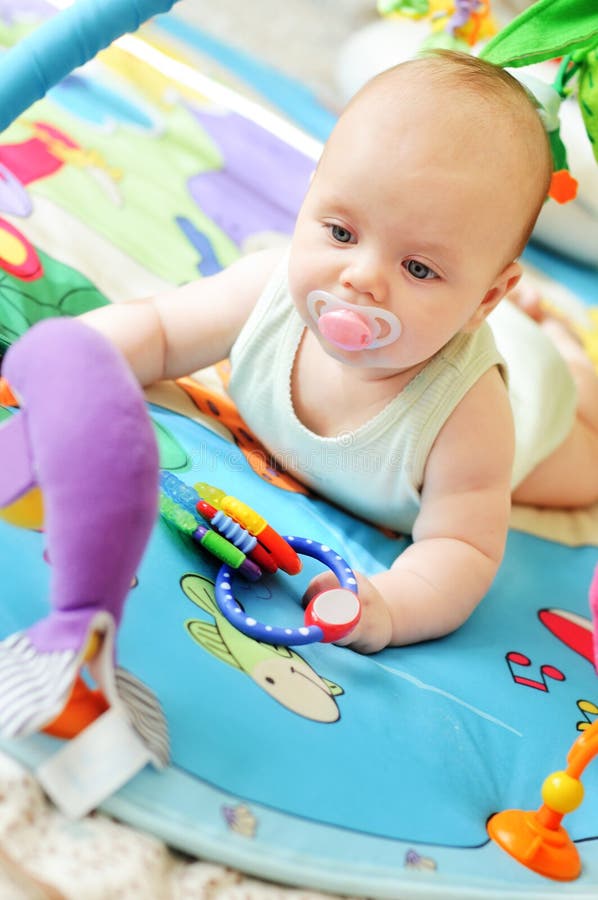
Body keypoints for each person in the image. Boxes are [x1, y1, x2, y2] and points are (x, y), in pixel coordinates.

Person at [82, 50, 598, 653]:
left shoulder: (470, 418)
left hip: (536, 401)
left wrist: (391, 606)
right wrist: (80, 358)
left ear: (485, 297)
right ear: (310, 197)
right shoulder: (268, 290)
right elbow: (160, 330)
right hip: (473, 327)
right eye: (342, 232)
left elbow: (462, 548)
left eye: (417, 267)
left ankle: (569, 348)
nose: (360, 279)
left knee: (588, 466)